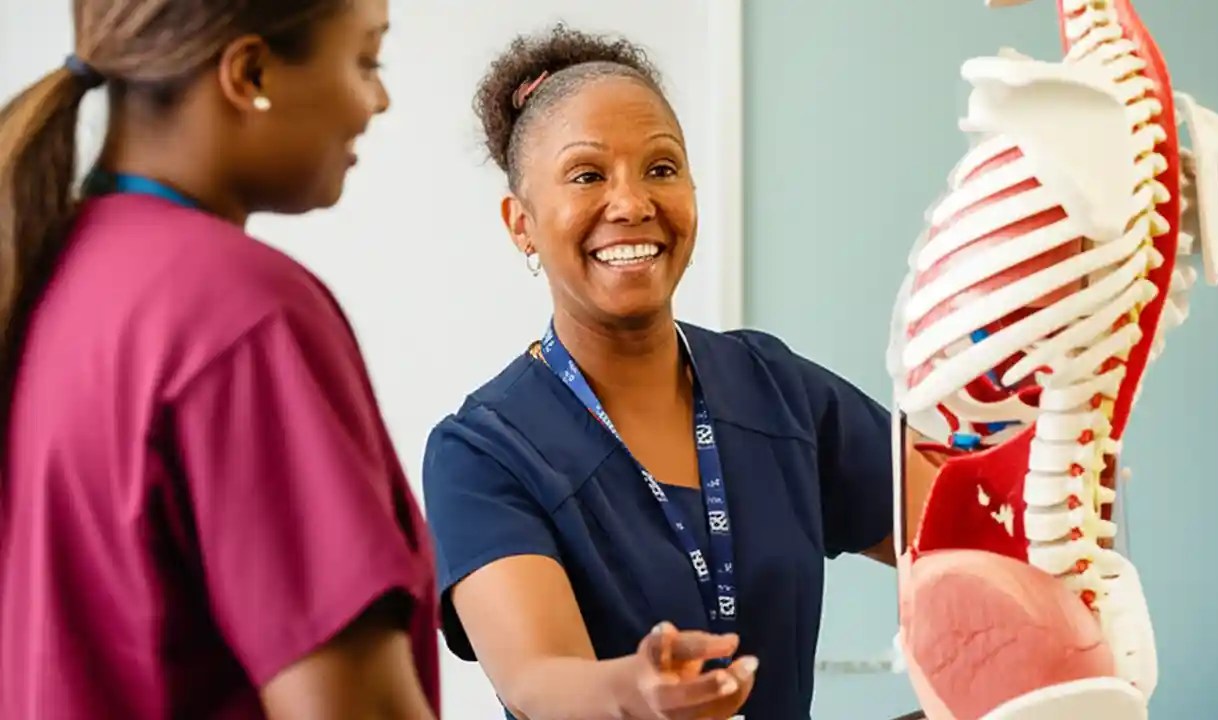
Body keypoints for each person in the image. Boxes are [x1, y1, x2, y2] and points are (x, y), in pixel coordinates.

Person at [421, 25, 941, 720]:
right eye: (587, 175)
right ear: (522, 223)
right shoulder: (483, 453)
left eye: (661, 169)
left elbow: (973, 535)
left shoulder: (778, 392)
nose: (632, 203)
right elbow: (537, 680)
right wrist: (633, 691)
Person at [0, 1, 439, 718]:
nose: (378, 100)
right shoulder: (243, 315)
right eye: (366, 61)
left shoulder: (45, 276)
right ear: (251, 71)